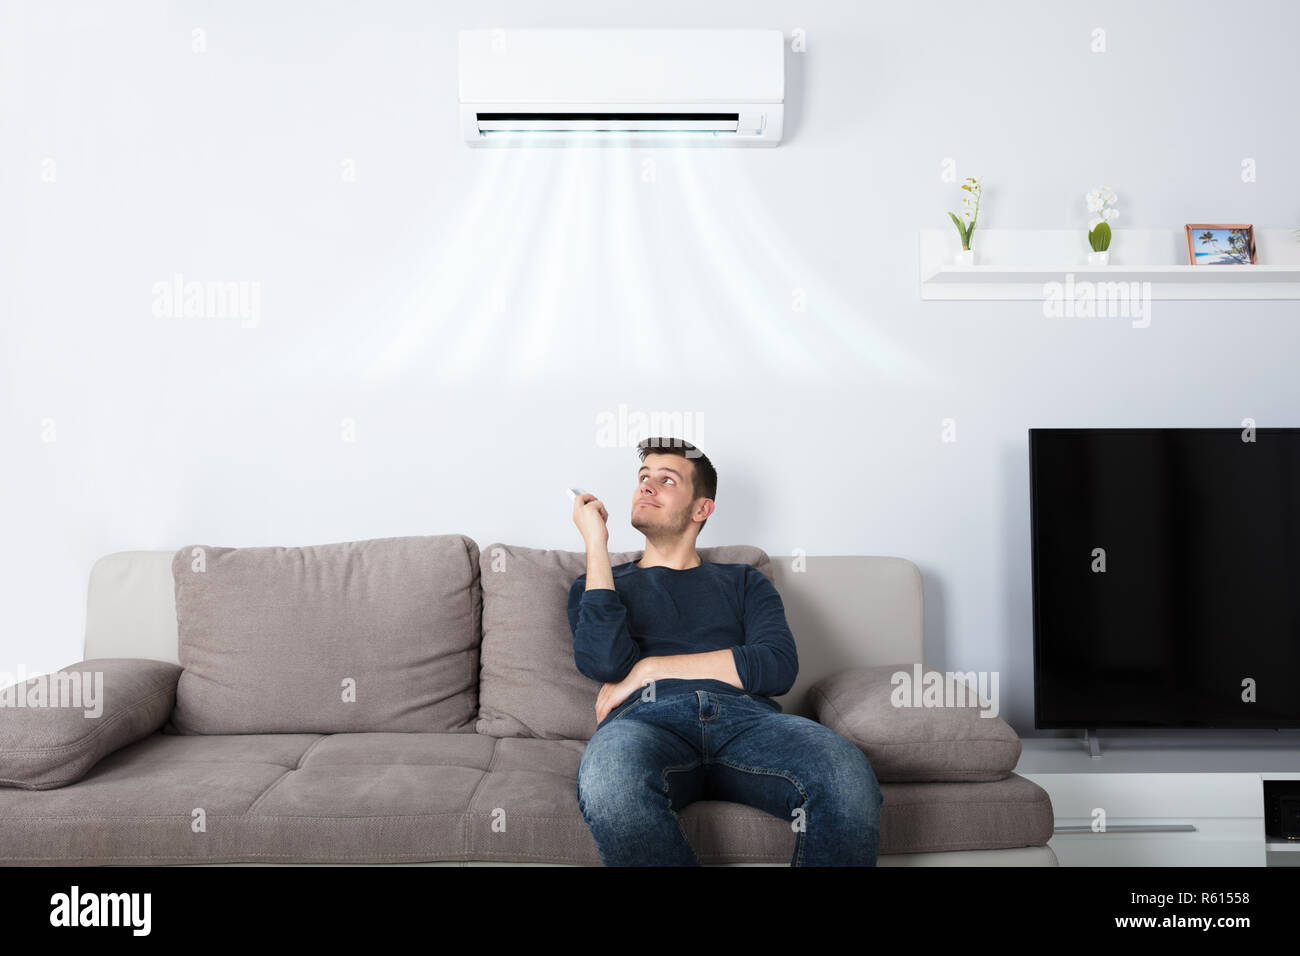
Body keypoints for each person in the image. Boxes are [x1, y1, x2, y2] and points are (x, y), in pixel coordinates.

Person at [569, 436, 883, 866]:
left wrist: (650, 668)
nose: (646, 486)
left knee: (846, 773)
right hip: (646, 723)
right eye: (643, 478)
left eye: (666, 480)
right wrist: (596, 546)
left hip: (747, 723)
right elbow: (603, 663)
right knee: (609, 781)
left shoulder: (744, 580)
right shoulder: (599, 585)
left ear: (702, 509)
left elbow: (777, 667)